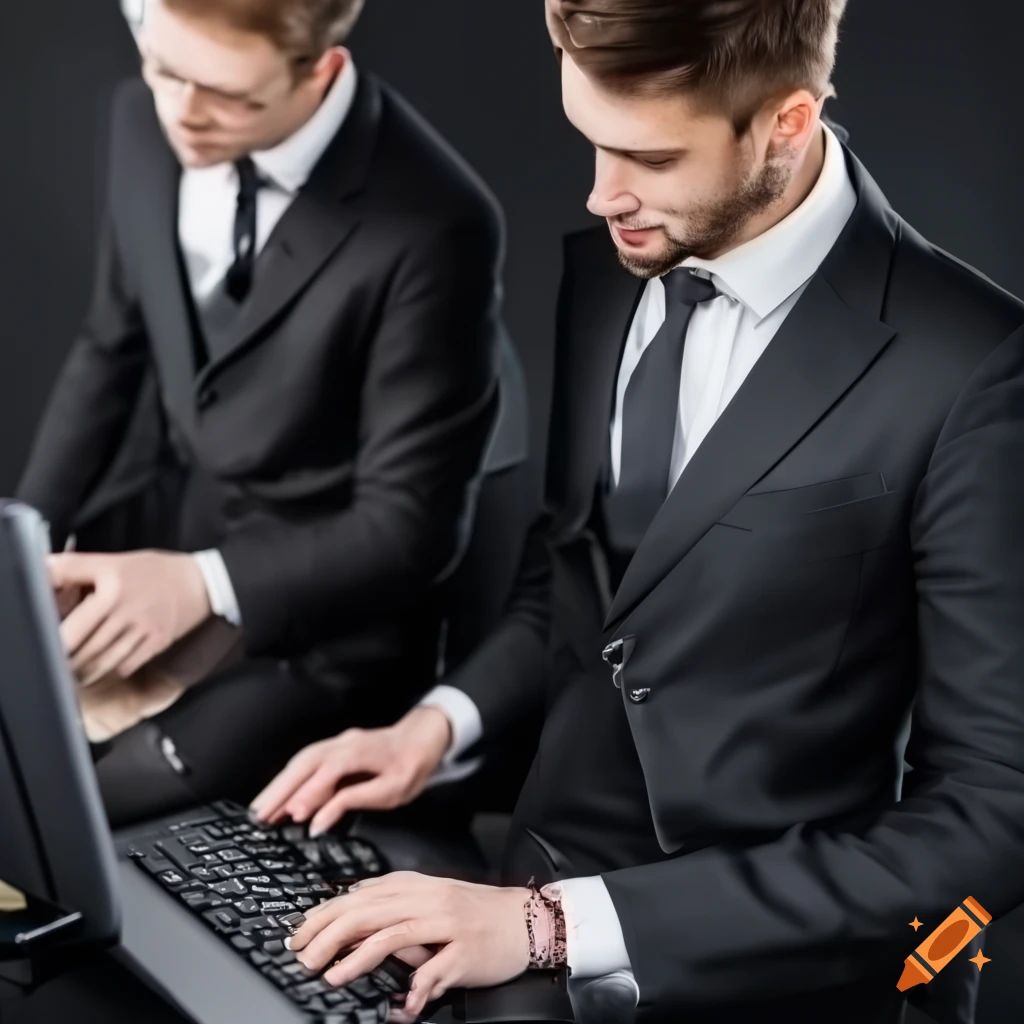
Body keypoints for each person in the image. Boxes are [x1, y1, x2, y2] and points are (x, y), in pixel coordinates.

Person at [253, 0, 1024, 1021]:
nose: (602, 194)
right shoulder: (616, 266)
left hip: (765, 966)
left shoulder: (972, 364)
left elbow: (990, 814)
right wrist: (437, 729)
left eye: (649, 158)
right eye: (589, 141)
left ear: (787, 125)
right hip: (514, 882)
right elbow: (580, 580)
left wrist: (558, 926)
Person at [16, 0, 504, 827]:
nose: (183, 113)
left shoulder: (436, 223)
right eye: (162, 66)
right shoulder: (138, 117)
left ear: (322, 64)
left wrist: (203, 585)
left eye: (229, 95)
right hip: (164, 535)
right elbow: (110, 348)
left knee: (74, 819)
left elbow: (408, 530)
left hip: (326, 639)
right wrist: (21, 543)